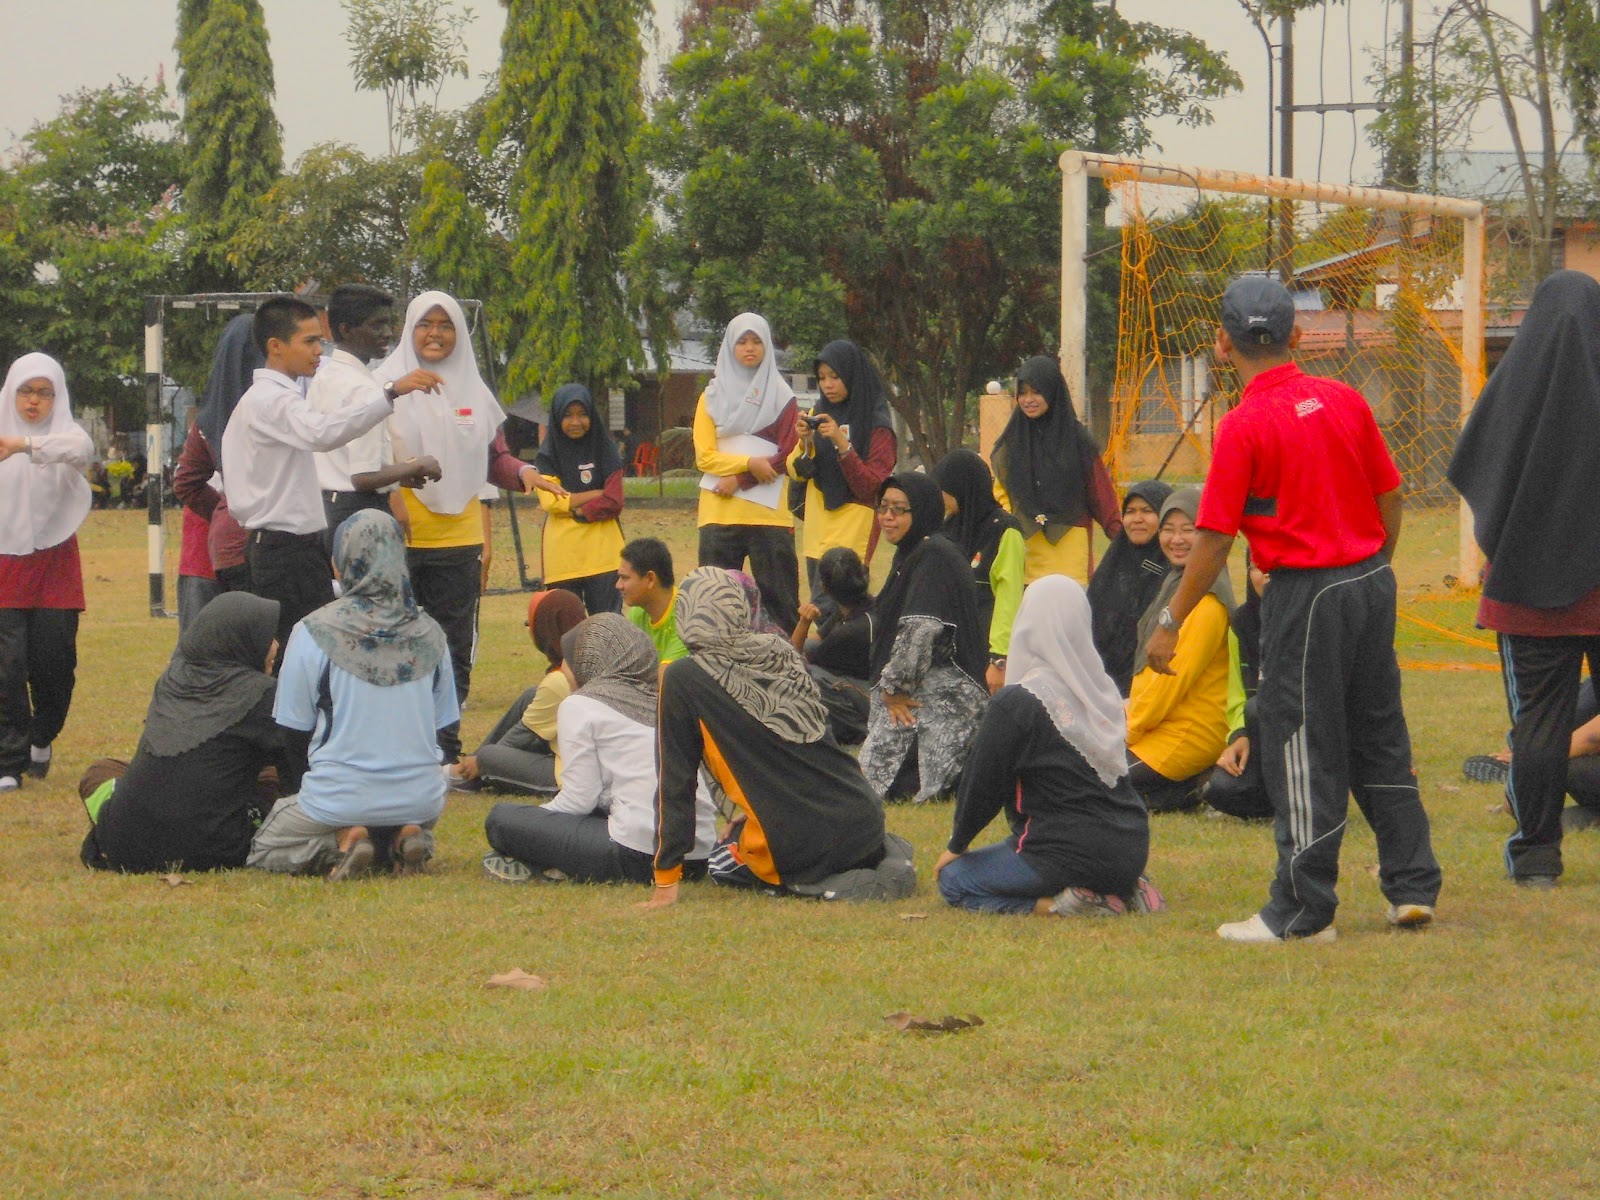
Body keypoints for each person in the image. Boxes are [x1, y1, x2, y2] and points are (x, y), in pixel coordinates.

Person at [1146, 275, 1441, 942]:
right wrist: (1373, 564)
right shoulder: (1344, 400)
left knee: (1303, 743)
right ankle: (1412, 886)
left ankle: (1303, 911)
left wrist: (1170, 621)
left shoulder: (1244, 424)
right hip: (1370, 579)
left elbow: (1214, 539)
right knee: (1379, 733)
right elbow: (1390, 495)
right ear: (1298, 336)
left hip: (1307, 592)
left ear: (1222, 343)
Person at [1448, 270, 1600, 888]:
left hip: (1526, 591)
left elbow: (1477, 471)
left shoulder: (1510, 387)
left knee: (1537, 726)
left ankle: (1537, 860)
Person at [376, 290, 565, 759]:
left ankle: (444, 748)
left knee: (452, 647)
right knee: (395, 641)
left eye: (446, 325)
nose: (435, 334)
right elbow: (366, 454)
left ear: (460, 333)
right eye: (426, 324)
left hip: (459, 538)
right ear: (409, 329)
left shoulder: (475, 391)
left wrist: (525, 473)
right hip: (399, 536)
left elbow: (493, 458)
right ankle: (396, 746)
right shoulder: (383, 385)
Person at [646, 567, 890, 907]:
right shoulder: (780, 651)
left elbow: (675, 782)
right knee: (751, 830)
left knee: (721, 859)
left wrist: (666, 878)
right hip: (865, 821)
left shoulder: (683, 678)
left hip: (804, 842)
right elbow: (807, 751)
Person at [247, 511, 457, 879]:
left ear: (339, 563)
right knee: (395, 811)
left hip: (338, 796)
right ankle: (407, 835)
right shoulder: (432, 633)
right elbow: (445, 727)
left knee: (263, 849)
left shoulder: (313, 632)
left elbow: (292, 731)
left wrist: (319, 796)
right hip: (422, 799)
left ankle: (343, 842)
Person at [935, 576, 1160, 917]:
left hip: (1061, 852)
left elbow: (982, 784)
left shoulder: (1018, 702)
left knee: (955, 880)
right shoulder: (1101, 690)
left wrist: (957, 845)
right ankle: (1123, 887)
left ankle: (1064, 905)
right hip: (1131, 846)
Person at [222, 296, 427, 669]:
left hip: (290, 547)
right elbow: (323, 433)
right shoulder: (271, 400)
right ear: (276, 346)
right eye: (310, 341)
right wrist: (389, 393)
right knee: (301, 659)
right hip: (283, 551)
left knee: (312, 656)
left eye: (320, 339)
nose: (320, 350)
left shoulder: (279, 396)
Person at [483, 614, 716, 885]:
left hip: (639, 854)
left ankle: (549, 865)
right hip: (697, 857)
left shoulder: (581, 705)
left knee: (501, 819)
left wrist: (539, 821)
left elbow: (578, 800)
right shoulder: (662, 700)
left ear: (588, 662)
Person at [78, 594, 297, 873]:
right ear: (241, 642)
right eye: (266, 637)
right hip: (211, 847)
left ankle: (126, 822)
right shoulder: (263, 695)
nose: (276, 644)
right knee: (272, 779)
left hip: (123, 844)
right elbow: (295, 770)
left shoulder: (171, 680)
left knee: (100, 771)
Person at [858, 472, 989, 803]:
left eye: (899, 509)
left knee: (877, 785)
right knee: (864, 782)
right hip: (927, 682)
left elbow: (922, 628)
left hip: (948, 692)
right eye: (883, 507)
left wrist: (895, 689)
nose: (888, 517)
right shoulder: (917, 550)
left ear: (923, 510)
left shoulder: (934, 556)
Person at [0, 353, 94, 792]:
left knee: (55, 664)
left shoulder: (67, 434)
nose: (33, 401)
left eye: (44, 393)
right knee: (7, 666)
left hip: (54, 561)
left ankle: (42, 737)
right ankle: (9, 760)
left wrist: (24, 445)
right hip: (4, 561)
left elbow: (82, 451)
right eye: (26, 391)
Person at [1125, 487, 1234, 814]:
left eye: (1189, 530)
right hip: (1160, 723)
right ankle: (1182, 790)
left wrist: (1127, 730)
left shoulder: (1204, 601)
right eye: (1168, 530)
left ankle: (1189, 784)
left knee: (1091, 782)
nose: (1177, 540)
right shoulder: (1178, 586)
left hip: (1186, 733)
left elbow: (1170, 680)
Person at [311, 283, 443, 549]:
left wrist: (397, 476)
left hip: (327, 509)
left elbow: (342, 462)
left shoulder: (326, 376)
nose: (387, 333)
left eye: (388, 324)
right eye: (377, 325)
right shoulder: (362, 388)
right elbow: (362, 477)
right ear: (346, 329)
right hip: (358, 512)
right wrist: (417, 465)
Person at [693, 313, 801, 632]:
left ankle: (786, 662)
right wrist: (749, 463)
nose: (749, 348)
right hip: (719, 513)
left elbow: (787, 454)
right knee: (714, 607)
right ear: (730, 347)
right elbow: (705, 457)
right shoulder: (711, 397)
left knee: (781, 606)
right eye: (742, 342)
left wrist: (741, 480)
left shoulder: (782, 396)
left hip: (769, 516)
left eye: (757, 341)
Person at [990, 355, 1123, 584]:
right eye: (1023, 393)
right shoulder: (1012, 443)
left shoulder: (1077, 441)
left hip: (1070, 548)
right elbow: (1001, 494)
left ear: (1052, 392)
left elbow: (1102, 497)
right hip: (1026, 548)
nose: (1028, 400)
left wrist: (1125, 542)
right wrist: (1009, 527)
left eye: (1036, 392)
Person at [788, 340, 898, 599]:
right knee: (819, 607)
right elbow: (794, 471)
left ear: (852, 375)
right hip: (817, 528)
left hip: (853, 526)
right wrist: (805, 442)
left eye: (835, 377)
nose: (827, 384)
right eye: (821, 378)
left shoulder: (876, 423)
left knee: (839, 607)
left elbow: (871, 486)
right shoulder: (819, 412)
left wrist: (842, 444)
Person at [449, 589, 586, 796]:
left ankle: (466, 774)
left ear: (546, 629)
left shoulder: (559, 680)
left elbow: (518, 738)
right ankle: (465, 772)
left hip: (572, 777)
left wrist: (481, 762)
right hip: (580, 760)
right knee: (531, 696)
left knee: (488, 756)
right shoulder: (585, 660)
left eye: (531, 624)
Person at [175, 314, 259, 596]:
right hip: (266, 546)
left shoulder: (210, 416)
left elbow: (185, 482)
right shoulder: (279, 406)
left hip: (225, 547)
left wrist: (226, 512)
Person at [932, 448, 1026, 693]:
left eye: (943, 488)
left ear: (960, 487)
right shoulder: (948, 526)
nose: (940, 495)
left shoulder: (1005, 529)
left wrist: (999, 659)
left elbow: (1009, 598)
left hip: (986, 655)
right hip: (949, 651)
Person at [533, 383, 626, 615]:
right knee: (565, 629)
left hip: (604, 556)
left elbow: (614, 500)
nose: (575, 422)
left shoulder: (606, 450)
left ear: (592, 415)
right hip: (563, 559)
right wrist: (596, 493)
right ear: (557, 417)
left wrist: (576, 510)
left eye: (582, 414)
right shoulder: (547, 456)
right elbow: (550, 501)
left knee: (607, 627)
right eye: (568, 415)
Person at [1087, 479, 1174, 696]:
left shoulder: (1176, 572)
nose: (1137, 519)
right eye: (1130, 512)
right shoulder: (1112, 565)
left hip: (1154, 688)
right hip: (1101, 687)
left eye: (1147, 511)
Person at [1202, 559, 1273, 821]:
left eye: (1275, 564)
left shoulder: (1310, 618)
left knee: (1258, 708)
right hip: (1258, 736)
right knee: (1221, 790)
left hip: (1305, 738)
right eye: (1257, 566)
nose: (1266, 575)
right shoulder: (1242, 622)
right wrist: (1239, 735)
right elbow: (1237, 693)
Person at [791, 546, 875, 745]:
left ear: (824, 587)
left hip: (875, 698)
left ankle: (860, 728)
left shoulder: (848, 633)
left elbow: (792, 659)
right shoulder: (863, 604)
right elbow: (813, 642)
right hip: (874, 681)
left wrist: (804, 622)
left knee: (806, 677)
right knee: (809, 648)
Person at [618, 536, 688, 662]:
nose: (618, 585)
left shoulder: (686, 617)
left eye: (625, 578)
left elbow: (667, 673)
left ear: (650, 579)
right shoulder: (637, 613)